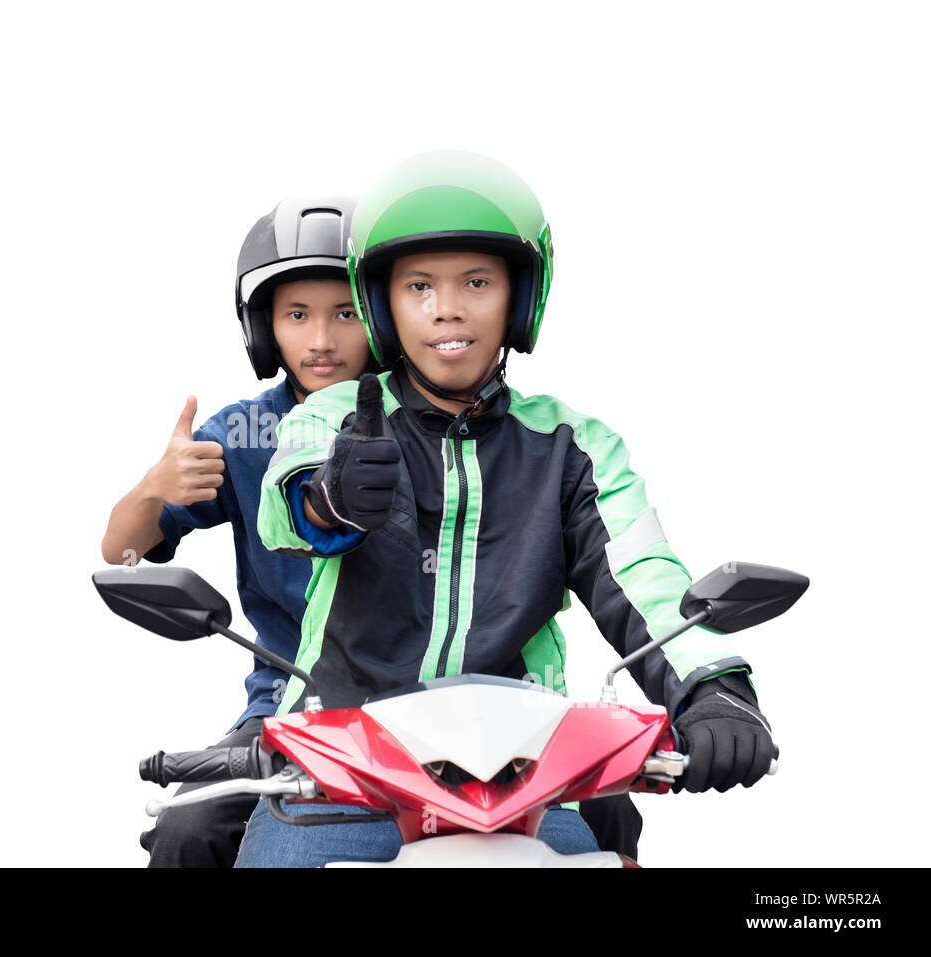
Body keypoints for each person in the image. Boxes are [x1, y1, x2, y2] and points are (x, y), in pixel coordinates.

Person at [236, 151, 774, 867]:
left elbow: (644, 573)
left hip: (520, 785)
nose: (447, 306)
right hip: (337, 774)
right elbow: (288, 495)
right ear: (383, 303)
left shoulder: (574, 446)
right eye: (419, 285)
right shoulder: (339, 415)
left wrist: (716, 688)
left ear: (521, 298)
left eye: (478, 282)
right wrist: (329, 497)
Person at [100, 196, 373, 866]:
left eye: (345, 314)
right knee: (186, 829)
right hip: (289, 702)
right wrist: (151, 489)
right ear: (263, 329)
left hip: (435, 700)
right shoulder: (245, 433)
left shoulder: (427, 415)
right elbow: (123, 552)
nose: (321, 340)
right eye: (297, 315)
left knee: (600, 805)